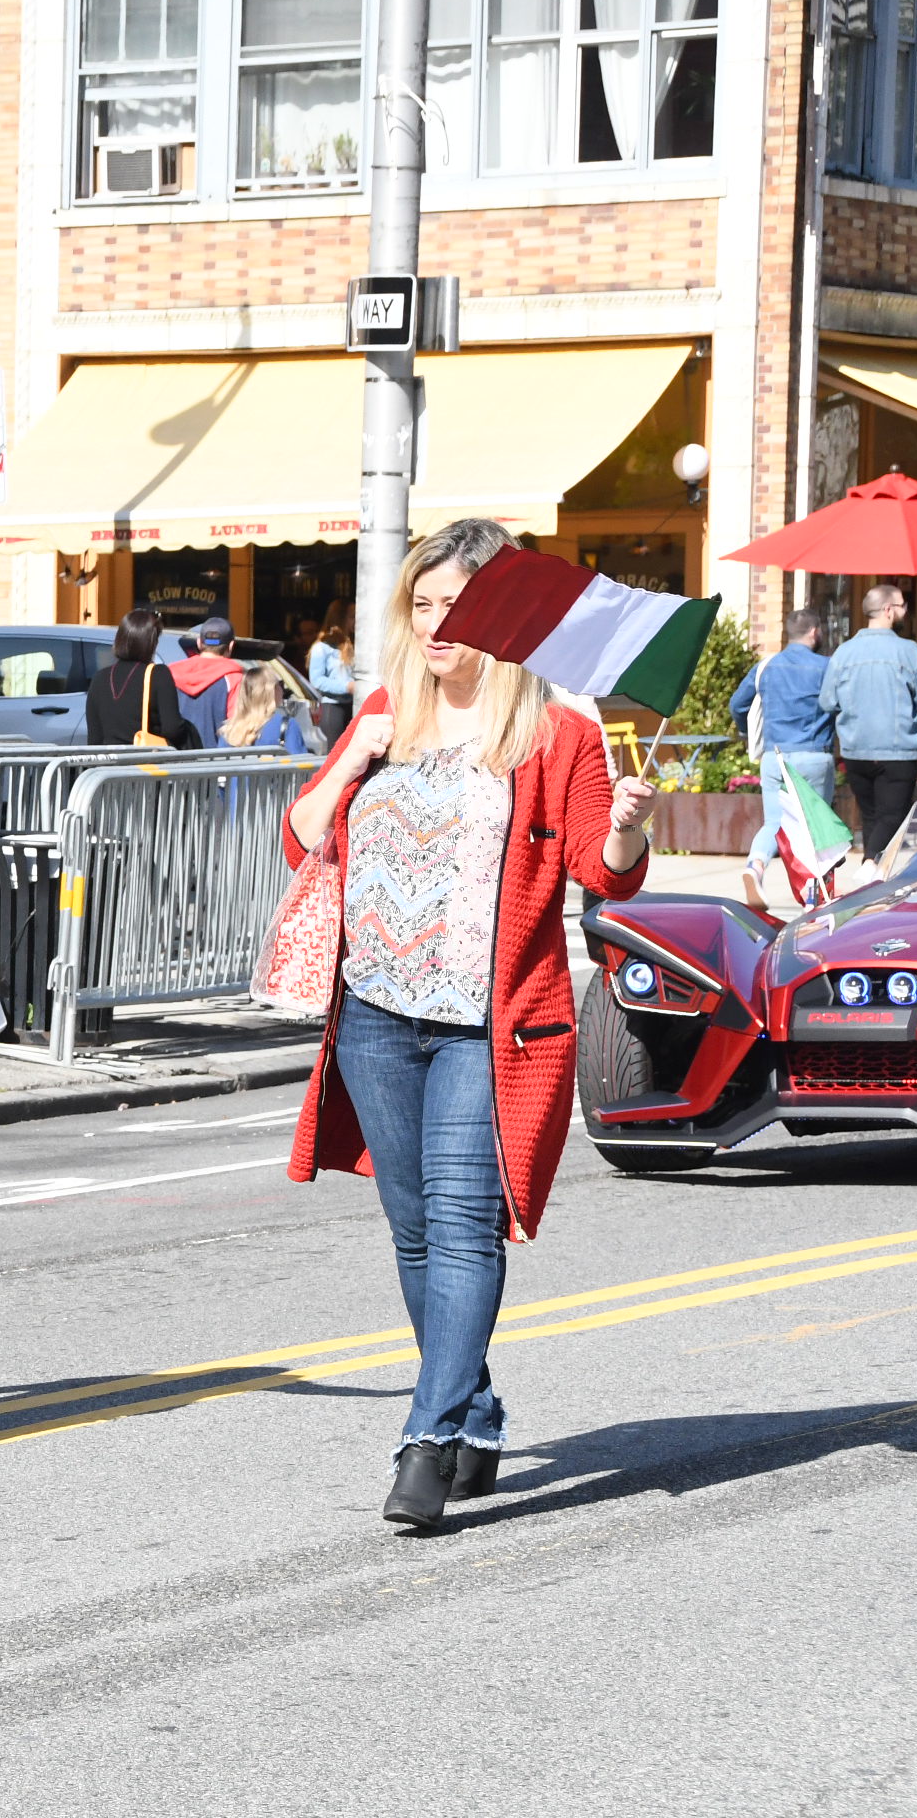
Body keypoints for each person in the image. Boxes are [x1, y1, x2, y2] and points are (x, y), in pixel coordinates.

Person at [282, 520, 657, 1532]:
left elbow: (600, 866)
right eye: (426, 603)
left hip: (482, 1029)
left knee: (462, 1225)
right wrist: (357, 746)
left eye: (464, 604)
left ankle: (428, 1433)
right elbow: (301, 838)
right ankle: (480, 1414)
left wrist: (629, 820)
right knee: (414, 1233)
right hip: (372, 1017)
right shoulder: (385, 713)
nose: (442, 623)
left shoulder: (556, 731)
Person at [819, 583, 917, 863]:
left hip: (856, 746)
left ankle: (874, 876)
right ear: (889, 610)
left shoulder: (844, 653)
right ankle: (870, 865)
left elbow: (828, 701)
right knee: (893, 815)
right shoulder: (908, 651)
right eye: (903, 605)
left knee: (871, 815)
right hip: (898, 747)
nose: (905, 610)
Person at [729, 607, 836, 911]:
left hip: (774, 756)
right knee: (816, 826)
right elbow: (839, 704)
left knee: (775, 823)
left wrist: (747, 731)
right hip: (814, 755)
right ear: (815, 632)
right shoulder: (827, 666)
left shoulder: (766, 667)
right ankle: (814, 896)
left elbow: (738, 705)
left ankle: (756, 866)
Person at [85, 608, 198, 749]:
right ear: (151, 643)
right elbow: (172, 728)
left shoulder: (99, 678)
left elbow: (94, 739)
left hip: (109, 768)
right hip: (146, 765)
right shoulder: (158, 674)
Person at [169, 615, 244, 741]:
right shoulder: (234, 679)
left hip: (176, 756)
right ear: (231, 646)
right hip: (216, 758)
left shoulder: (170, 673)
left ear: (199, 643)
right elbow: (236, 728)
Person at [220, 662, 311, 754]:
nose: (282, 689)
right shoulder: (286, 725)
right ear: (272, 691)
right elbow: (300, 764)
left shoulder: (228, 731)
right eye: (280, 684)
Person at [307, 618, 354, 742]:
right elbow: (317, 680)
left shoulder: (353, 644)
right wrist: (347, 686)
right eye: (352, 616)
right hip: (333, 707)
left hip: (353, 705)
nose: (356, 620)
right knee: (335, 754)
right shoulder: (322, 647)